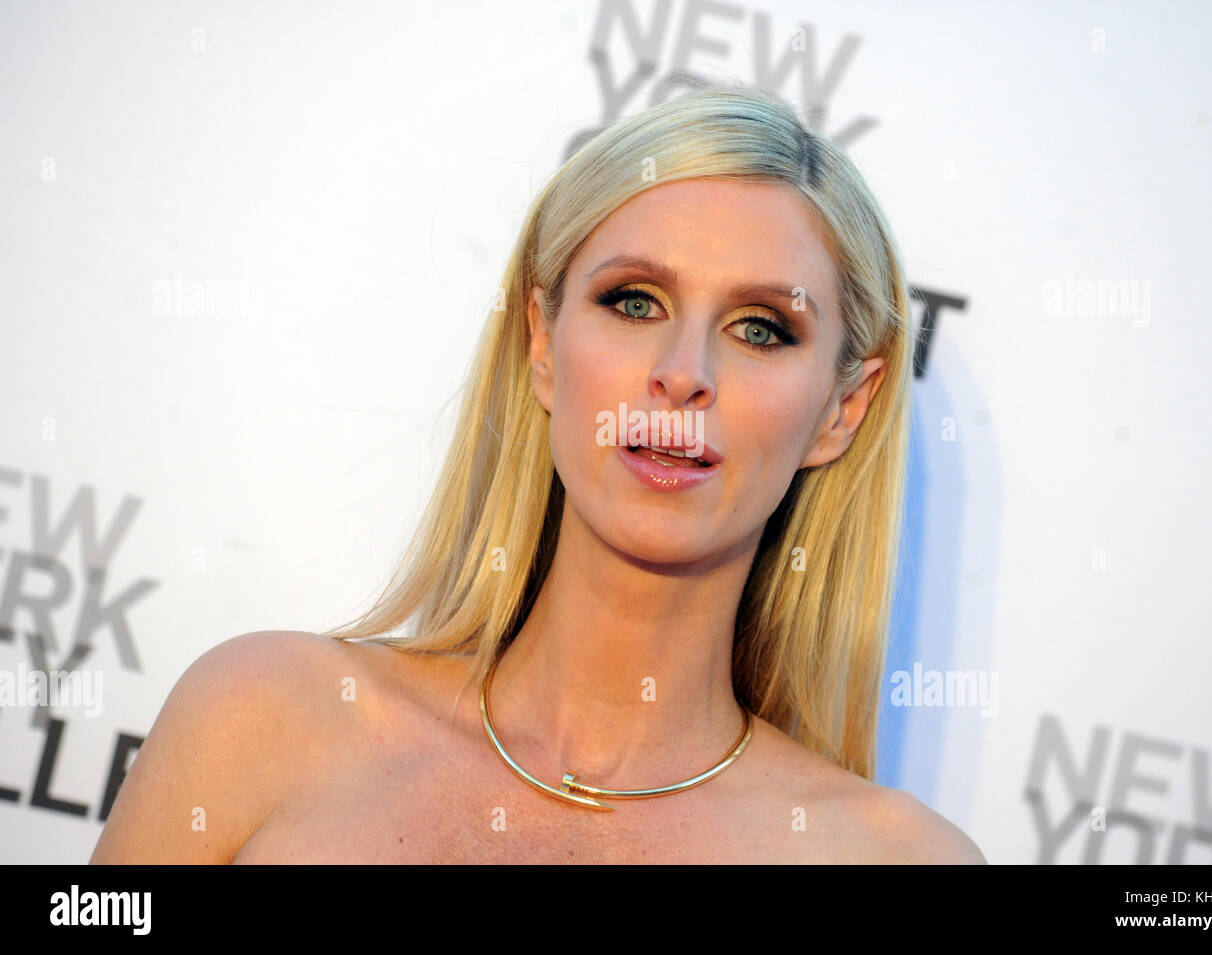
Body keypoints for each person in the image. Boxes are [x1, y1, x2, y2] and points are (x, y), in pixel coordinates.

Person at [91, 82, 985, 864]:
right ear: (542, 342)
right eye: (635, 301)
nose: (683, 371)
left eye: (761, 327)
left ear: (843, 409)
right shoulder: (261, 720)